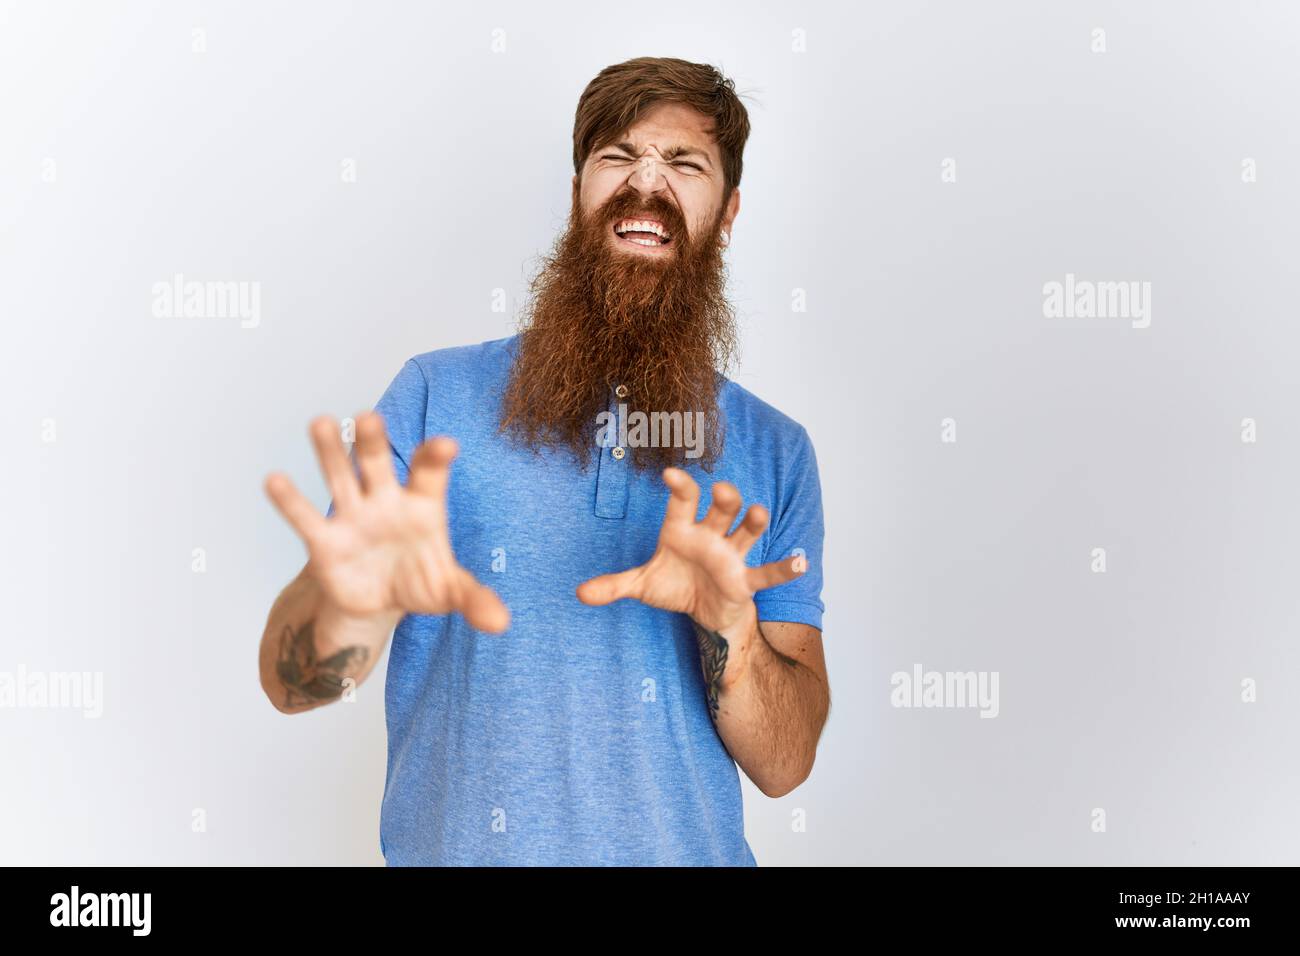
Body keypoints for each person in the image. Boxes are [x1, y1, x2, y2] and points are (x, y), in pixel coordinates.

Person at [258, 56, 830, 865]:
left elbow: (787, 764)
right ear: (577, 197)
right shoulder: (433, 397)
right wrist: (346, 603)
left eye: (684, 163)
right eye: (618, 157)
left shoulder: (776, 449)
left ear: (727, 212)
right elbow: (294, 687)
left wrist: (732, 633)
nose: (647, 184)